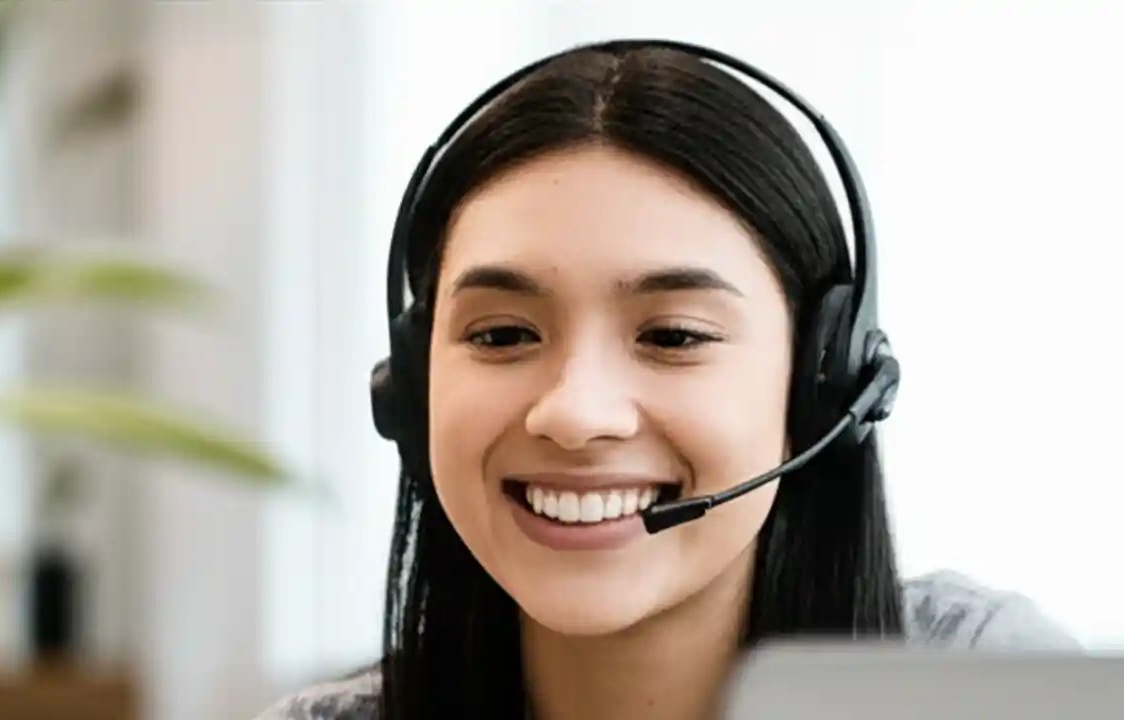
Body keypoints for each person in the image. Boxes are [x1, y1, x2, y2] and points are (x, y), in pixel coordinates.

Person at [259, 40, 1079, 720]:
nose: (575, 413)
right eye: (503, 334)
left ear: (825, 385)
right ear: (410, 385)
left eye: (674, 335)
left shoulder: (994, 689)